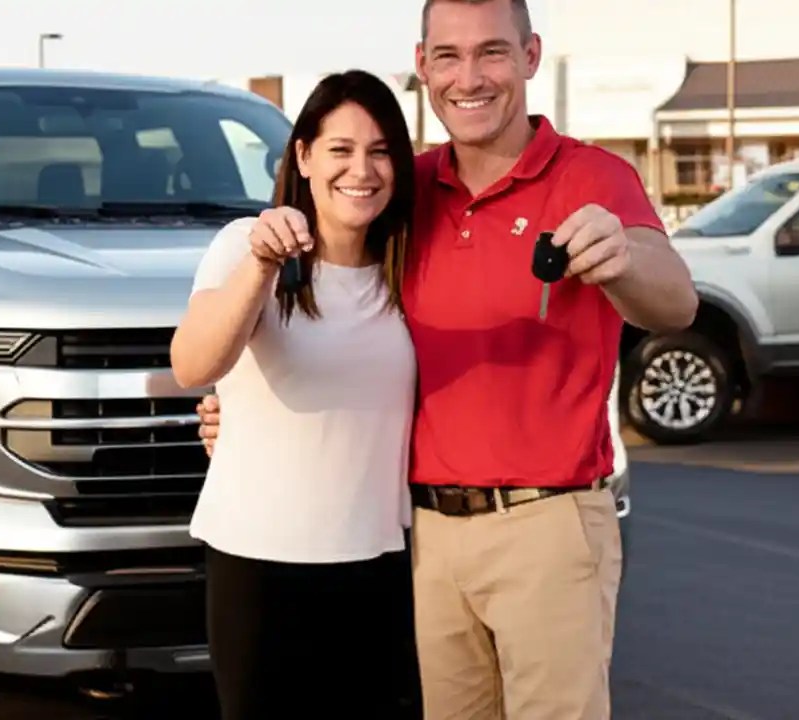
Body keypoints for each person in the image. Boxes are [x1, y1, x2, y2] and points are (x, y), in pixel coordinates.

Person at [194, 1, 700, 718]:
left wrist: (621, 258)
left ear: (530, 55)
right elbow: (338, 327)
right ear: (423, 65)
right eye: (449, 56)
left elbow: (674, 301)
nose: (471, 77)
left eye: (492, 52)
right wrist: (246, 413)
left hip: (546, 525)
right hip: (424, 536)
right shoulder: (405, 190)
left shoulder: (594, 178)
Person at [170, 69, 419, 720]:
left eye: (381, 150)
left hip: (380, 565)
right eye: (340, 149)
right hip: (259, 564)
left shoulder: (409, 268)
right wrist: (261, 265)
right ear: (303, 156)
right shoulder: (242, 248)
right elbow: (194, 364)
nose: (361, 170)